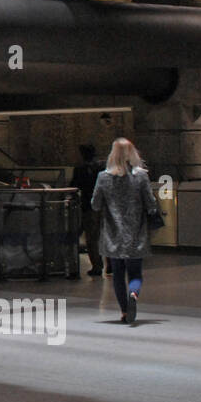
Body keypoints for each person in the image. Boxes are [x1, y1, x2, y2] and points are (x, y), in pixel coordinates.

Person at [91, 137, 157, 325]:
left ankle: (124, 311)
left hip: (113, 234)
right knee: (135, 273)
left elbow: (95, 205)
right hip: (136, 233)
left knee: (118, 274)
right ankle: (134, 294)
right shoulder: (141, 176)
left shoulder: (103, 177)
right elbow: (151, 204)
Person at [70, 144, 104, 277]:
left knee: (91, 237)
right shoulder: (102, 167)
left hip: (88, 205)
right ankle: (111, 264)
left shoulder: (81, 169)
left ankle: (96, 265)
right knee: (104, 235)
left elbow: (74, 186)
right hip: (103, 204)